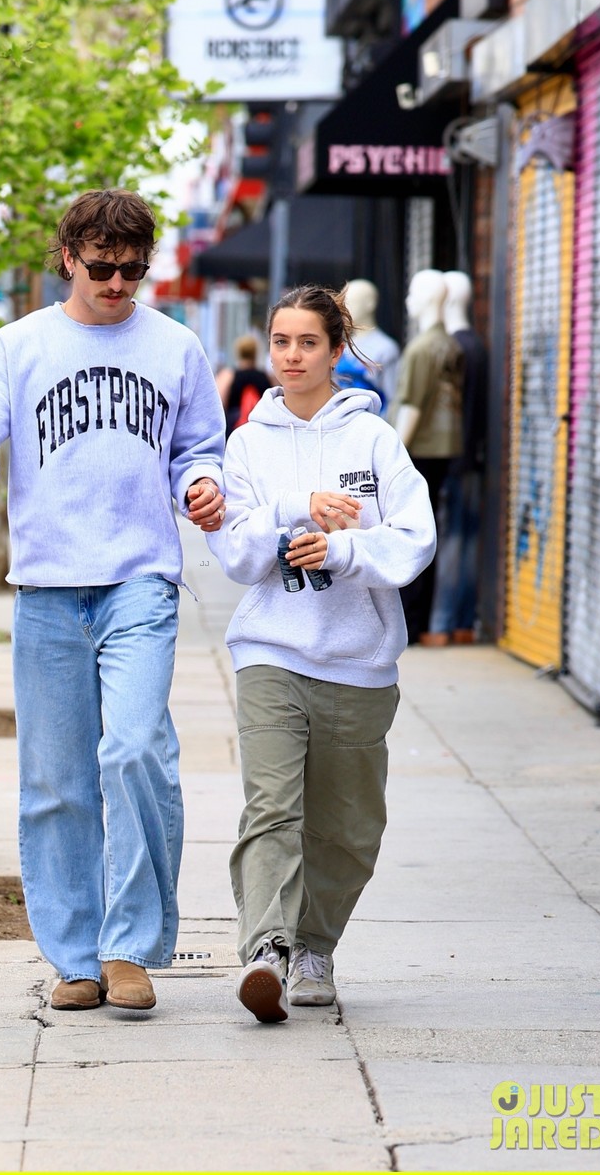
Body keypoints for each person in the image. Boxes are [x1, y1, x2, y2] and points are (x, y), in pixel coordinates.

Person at [0, 188, 226, 1013]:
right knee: (57, 782)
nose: (117, 283)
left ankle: (129, 947)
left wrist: (203, 485)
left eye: (133, 269)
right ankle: (75, 958)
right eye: (102, 268)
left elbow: (200, 448)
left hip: (139, 580)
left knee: (132, 750)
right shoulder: (17, 347)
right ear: (68, 258)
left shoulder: (175, 347)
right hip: (48, 589)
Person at [207, 285, 436, 1023]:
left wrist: (341, 550)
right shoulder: (247, 443)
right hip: (271, 650)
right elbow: (236, 552)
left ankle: (314, 947)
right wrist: (293, 515)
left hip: (358, 660)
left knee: (347, 828)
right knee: (271, 808)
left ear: (337, 350)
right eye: (281, 341)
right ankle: (267, 951)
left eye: (308, 342)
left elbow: (415, 540)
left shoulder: (373, 440)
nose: (292, 356)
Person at [387, 269, 463, 644]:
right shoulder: (448, 344)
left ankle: (411, 621)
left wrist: (393, 455)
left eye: (413, 293)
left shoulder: (421, 349)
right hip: (441, 450)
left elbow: (412, 406)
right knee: (428, 531)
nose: (407, 301)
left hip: (418, 452)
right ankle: (418, 620)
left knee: (411, 534)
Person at [426, 271, 489, 645]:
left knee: (449, 541)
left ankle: (441, 623)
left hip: (452, 460)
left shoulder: (452, 349)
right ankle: (461, 622)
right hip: (473, 458)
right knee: (465, 542)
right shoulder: (476, 346)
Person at [337, 279, 401, 410]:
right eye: (343, 304)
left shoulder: (385, 348)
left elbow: (392, 398)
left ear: (369, 304)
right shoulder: (341, 345)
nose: (345, 309)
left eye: (351, 303)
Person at [216, 333, 271, 436]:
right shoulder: (266, 377)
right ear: (255, 353)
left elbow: (218, 404)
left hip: (233, 430)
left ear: (238, 352)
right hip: (260, 431)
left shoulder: (228, 376)